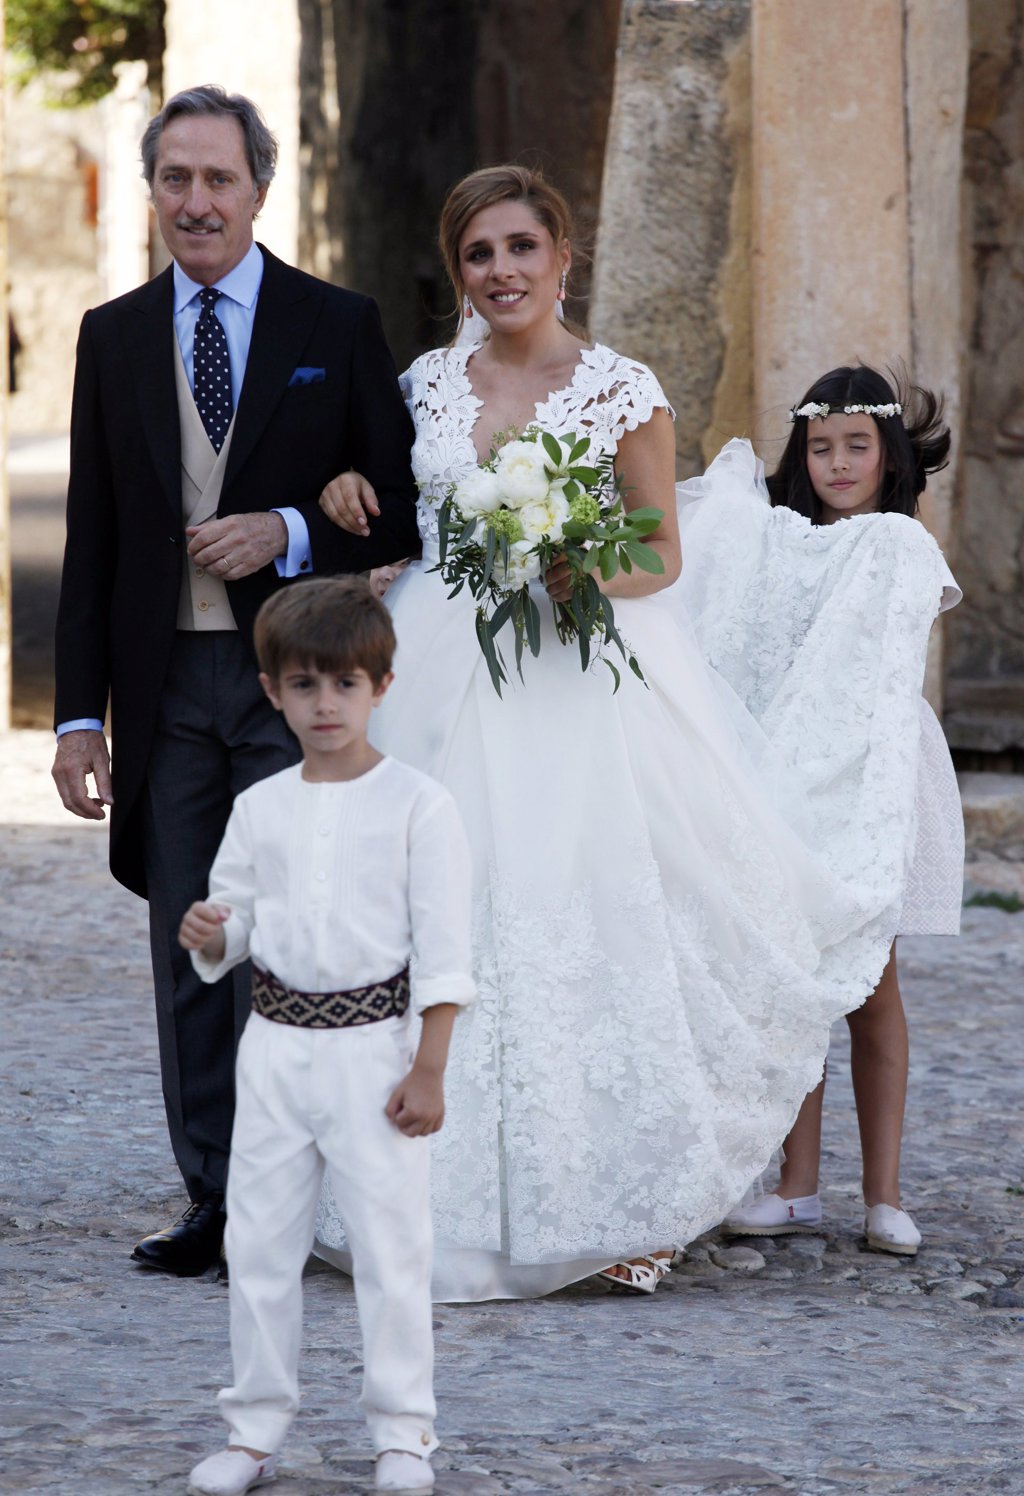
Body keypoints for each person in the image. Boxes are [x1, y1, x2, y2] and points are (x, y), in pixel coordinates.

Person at [313, 165, 903, 1302]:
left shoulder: (622, 389)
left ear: (563, 256)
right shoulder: (424, 384)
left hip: (578, 676)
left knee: (585, 914)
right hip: (436, 665)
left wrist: (577, 565)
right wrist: (348, 492)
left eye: (521, 247)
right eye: (479, 253)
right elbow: (390, 501)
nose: (501, 271)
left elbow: (660, 553)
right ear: (458, 271)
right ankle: (418, 1196)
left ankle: (614, 1203)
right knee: (436, 909)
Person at [51, 85, 419, 1278]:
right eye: (176, 178)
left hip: (296, 685)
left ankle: (313, 1186)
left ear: (260, 188)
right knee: (193, 944)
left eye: (219, 179)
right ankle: (215, 1195)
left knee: (300, 930)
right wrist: (78, 715)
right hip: (164, 692)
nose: (197, 201)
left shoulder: (336, 322)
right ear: (153, 191)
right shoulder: (112, 334)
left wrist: (288, 530)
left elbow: (402, 508)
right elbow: (95, 537)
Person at [179, 578, 473, 1496]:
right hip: (274, 1050)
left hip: (375, 1053)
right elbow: (239, 922)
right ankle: (253, 1430)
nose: (325, 705)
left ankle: (403, 1433)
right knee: (259, 1245)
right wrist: (213, 933)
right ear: (273, 691)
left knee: (391, 1249)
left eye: (345, 684)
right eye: (304, 685)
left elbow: (446, 953)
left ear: (381, 685)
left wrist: (429, 1069)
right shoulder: (261, 805)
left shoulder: (420, 805)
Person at [717, 366, 962, 1256]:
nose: (838, 463)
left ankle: (885, 1196)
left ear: (890, 454)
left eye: (857, 445)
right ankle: (797, 1186)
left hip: (868, 768)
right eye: (820, 447)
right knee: (795, 980)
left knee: (870, 981)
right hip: (782, 771)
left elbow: (879, 667)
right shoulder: (776, 542)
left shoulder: (899, 545)